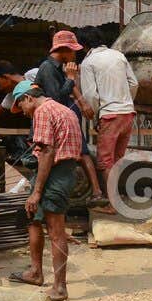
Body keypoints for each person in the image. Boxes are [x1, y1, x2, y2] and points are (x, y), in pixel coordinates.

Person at [7, 78, 83, 301]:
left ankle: (60, 287)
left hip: (56, 172)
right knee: (33, 218)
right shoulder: (63, 109)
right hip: (61, 170)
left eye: (21, 106)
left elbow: (48, 151)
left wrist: (37, 191)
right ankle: (36, 272)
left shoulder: (42, 111)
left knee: (55, 229)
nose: (23, 112)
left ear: (28, 98)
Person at [34, 30, 103, 200]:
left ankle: (94, 192)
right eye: (72, 51)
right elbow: (56, 98)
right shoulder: (48, 68)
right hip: (54, 123)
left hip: (63, 119)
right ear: (63, 50)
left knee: (80, 152)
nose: (74, 55)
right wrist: (71, 78)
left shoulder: (58, 68)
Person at [77, 29, 139, 189]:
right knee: (117, 161)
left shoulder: (88, 62)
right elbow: (134, 83)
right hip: (128, 114)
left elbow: (91, 95)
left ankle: (112, 204)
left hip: (110, 115)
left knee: (105, 162)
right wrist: (125, 101)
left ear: (83, 46)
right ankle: (115, 199)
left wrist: (96, 115)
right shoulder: (119, 55)